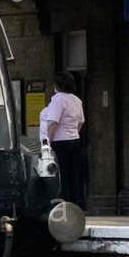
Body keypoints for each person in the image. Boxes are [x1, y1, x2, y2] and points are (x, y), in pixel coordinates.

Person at [39, 71, 86, 209]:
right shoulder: (77, 100)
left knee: (61, 175)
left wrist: (48, 141)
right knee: (74, 174)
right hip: (74, 140)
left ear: (57, 85)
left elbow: (53, 122)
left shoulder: (57, 100)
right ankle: (76, 203)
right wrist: (73, 133)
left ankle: (63, 203)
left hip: (60, 142)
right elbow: (81, 122)